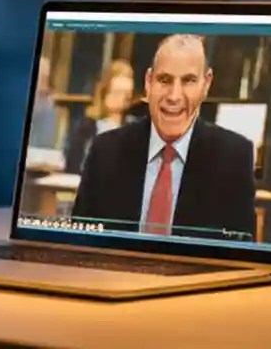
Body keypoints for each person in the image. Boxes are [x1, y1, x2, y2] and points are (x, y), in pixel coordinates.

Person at [71, 35, 255, 239]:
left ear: (206, 84)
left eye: (188, 81)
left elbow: (239, 259)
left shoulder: (235, 157)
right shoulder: (105, 150)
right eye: (164, 80)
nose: (174, 96)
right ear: (148, 82)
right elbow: (79, 245)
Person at [64, 59, 136, 173]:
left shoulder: (133, 129)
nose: (122, 99)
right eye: (117, 93)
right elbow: (73, 163)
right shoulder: (87, 127)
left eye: (126, 94)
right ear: (104, 93)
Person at [27, 55, 60, 149]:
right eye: (41, 77)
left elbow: (46, 142)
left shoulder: (47, 104)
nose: (44, 85)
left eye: (46, 78)